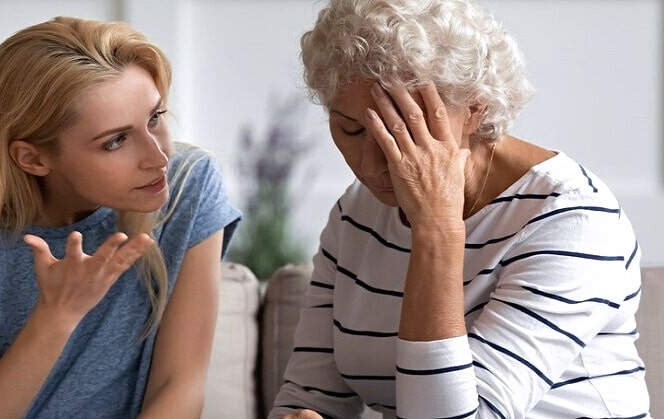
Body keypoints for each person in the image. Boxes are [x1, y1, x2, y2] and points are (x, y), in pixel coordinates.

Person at [269, 0, 649, 417]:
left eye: (407, 130)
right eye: (351, 129)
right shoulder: (357, 212)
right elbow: (308, 398)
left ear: (474, 108)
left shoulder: (573, 220)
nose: (370, 165)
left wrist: (436, 228)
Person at [0, 16, 241, 418]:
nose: (159, 156)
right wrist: (56, 318)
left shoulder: (188, 185)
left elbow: (179, 387)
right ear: (33, 158)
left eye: (154, 118)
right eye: (115, 141)